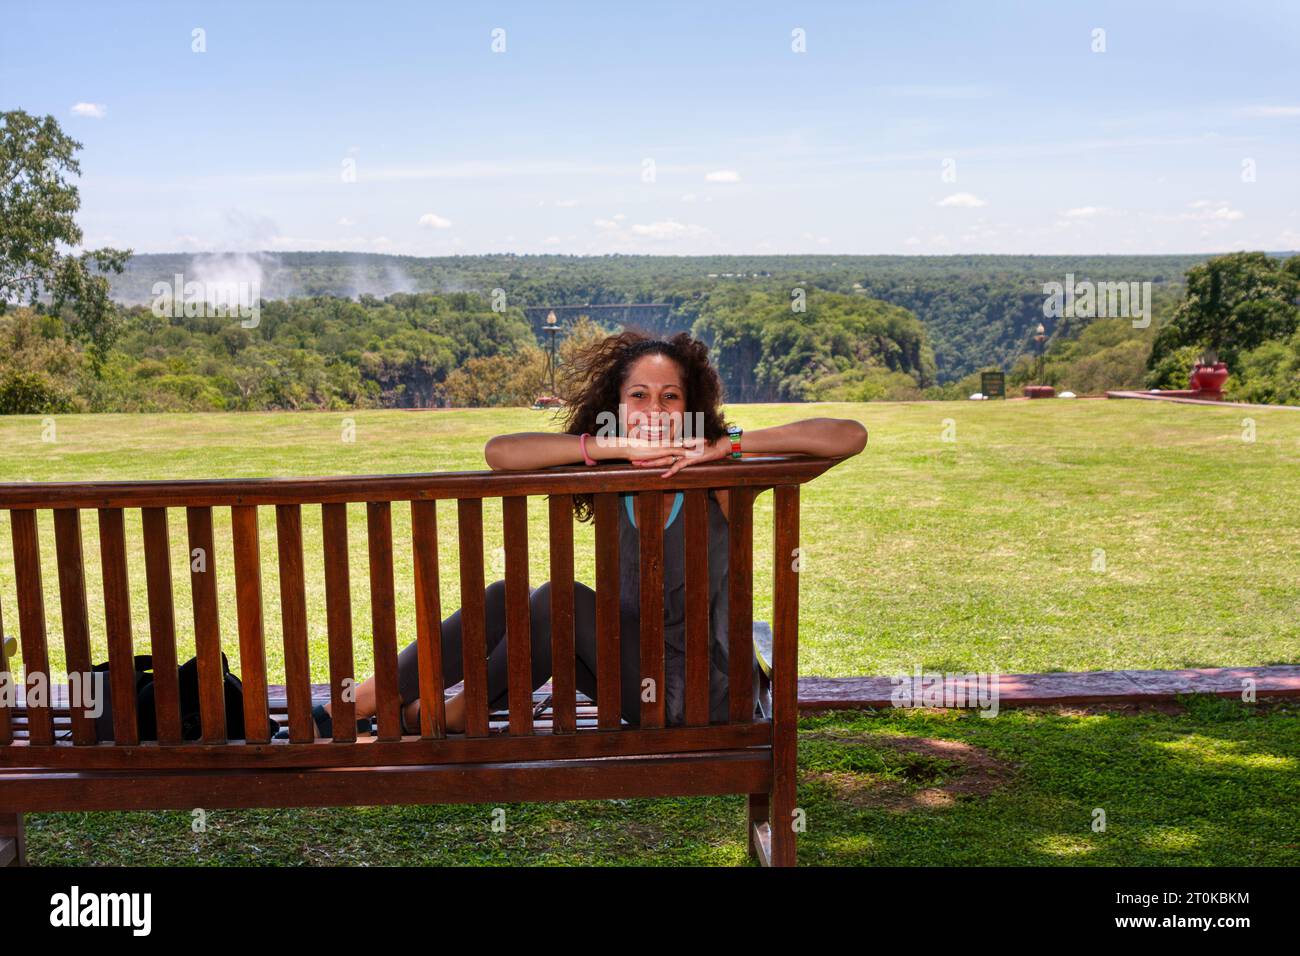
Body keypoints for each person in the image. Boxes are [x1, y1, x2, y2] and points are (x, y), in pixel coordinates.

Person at [300, 329, 867, 738]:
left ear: (691, 407)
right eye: (638, 396)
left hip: (704, 692)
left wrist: (727, 445)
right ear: (615, 407)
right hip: (626, 674)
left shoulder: (722, 480)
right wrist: (611, 448)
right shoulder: (609, 470)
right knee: (503, 597)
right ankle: (362, 704)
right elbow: (500, 452)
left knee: (559, 599)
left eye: (670, 396)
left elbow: (848, 435)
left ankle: (433, 717)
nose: (654, 409)